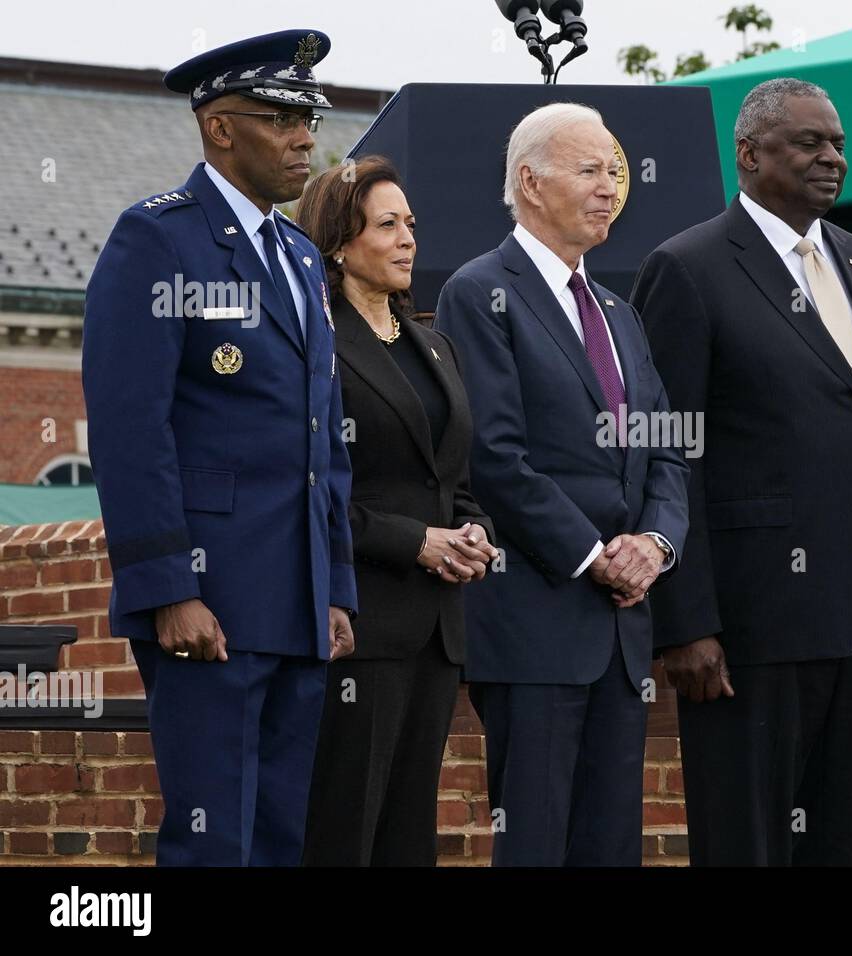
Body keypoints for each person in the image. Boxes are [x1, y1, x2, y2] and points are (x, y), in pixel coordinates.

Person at [629, 78, 852, 866]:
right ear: (750, 152)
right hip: (752, 624)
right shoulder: (687, 267)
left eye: (839, 144)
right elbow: (667, 446)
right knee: (749, 842)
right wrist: (686, 621)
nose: (833, 157)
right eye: (811, 143)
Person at [81, 30, 356, 866]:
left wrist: (336, 585)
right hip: (211, 596)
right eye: (281, 117)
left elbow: (324, 441)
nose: (305, 135)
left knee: (277, 835)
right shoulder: (158, 239)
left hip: (299, 600)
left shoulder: (304, 257)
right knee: (211, 839)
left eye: (308, 116)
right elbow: (131, 429)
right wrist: (169, 586)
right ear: (220, 128)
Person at [436, 102, 689, 866]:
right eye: (589, 169)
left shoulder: (619, 311)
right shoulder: (479, 292)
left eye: (614, 170)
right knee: (538, 843)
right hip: (536, 622)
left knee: (611, 848)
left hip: (620, 635)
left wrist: (654, 542)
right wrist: (592, 554)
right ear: (529, 181)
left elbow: (666, 447)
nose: (610, 186)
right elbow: (494, 457)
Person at [294, 156, 497, 866]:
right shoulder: (313, 345)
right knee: (344, 829)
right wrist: (415, 541)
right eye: (388, 224)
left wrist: (475, 534)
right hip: (361, 624)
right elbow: (309, 489)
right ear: (340, 241)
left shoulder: (435, 344)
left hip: (438, 632)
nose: (409, 238)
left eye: (411, 223)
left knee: (410, 837)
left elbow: (457, 479)